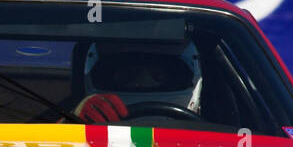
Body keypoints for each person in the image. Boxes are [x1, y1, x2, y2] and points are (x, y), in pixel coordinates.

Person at [70, 39, 203, 123]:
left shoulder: (215, 138)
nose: (142, 83)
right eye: (128, 75)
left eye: (158, 77)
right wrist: (72, 121)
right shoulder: (81, 119)